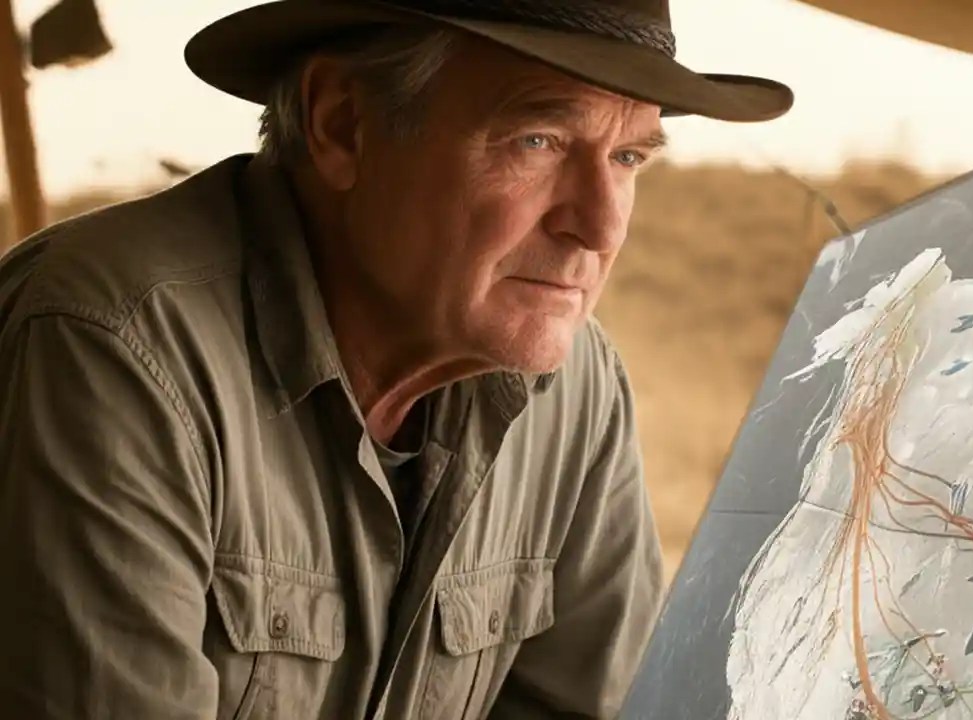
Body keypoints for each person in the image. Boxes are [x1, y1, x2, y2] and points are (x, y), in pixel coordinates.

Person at [0, 0, 792, 718]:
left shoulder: (576, 391)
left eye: (627, 160)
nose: (599, 227)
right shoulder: (120, 345)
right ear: (344, 125)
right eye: (539, 139)